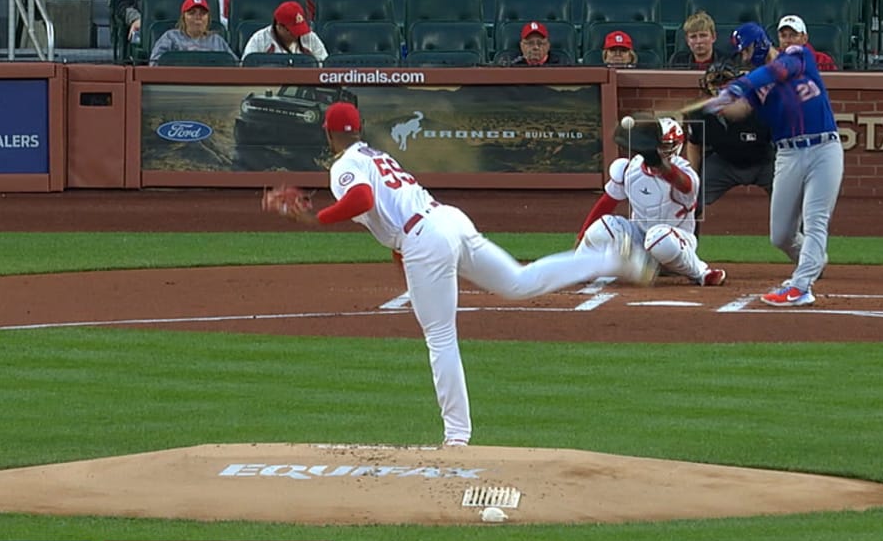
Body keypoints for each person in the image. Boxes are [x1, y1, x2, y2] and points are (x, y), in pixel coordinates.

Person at [260, 101, 656, 446]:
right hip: (448, 220)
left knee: (440, 336)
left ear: (328, 134)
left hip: (425, 236)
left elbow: (361, 199)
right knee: (520, 281)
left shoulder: (345, 164)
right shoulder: (377, 156)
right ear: (358, 129)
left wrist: (317, 217)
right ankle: (610, 259)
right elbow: (389, 223)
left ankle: (456, 436)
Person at [699, 22, 841, 307]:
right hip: (788, 154)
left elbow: (775, 71)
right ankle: (813, 260)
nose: (744, 56)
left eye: (748, 49)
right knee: (781, 235)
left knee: (815, 220)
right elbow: (742, 110)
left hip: (824, 147)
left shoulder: (797, 57)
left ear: (761, 43)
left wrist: (740, 84)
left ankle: (802, 285)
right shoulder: (757, 82)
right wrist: (718, 106)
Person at [576, 117, 726, 286]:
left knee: (658, 237)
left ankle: (701, 273)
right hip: (640, 236)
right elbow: (607, 203)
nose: (660, 150)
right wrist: (582, 236)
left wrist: (657, 162)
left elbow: (683, 184)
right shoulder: (629, 168)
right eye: (657, 145)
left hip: (675, 241)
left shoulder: (686, 171)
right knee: (604, 225)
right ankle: (579, 266)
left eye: (666, 146)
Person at [686, 55, 775, 208]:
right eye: (715, 82)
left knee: (789, 198)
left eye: (726, 81)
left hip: (763, 162)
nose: (721, 87)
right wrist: (693, 178)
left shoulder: (760, 107)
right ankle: (687, 232)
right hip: (723, 163)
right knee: (692, 201)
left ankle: (801, 231)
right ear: (707, 86)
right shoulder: (699, 113)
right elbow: (694, 144)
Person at [149, 0, 235, 64]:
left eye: (202, 13)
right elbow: (154, 64)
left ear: (208, 19)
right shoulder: (170, 37)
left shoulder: (217, 41)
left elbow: (235, 65)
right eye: (192, 13)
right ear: (183, 18)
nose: (198, 17)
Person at [243, 0, 328, 63]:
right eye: (292, 30)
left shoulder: (309, 37)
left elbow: (324, 65)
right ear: (279, 26)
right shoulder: (259, 39)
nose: (298, 34)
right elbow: (246, 67)